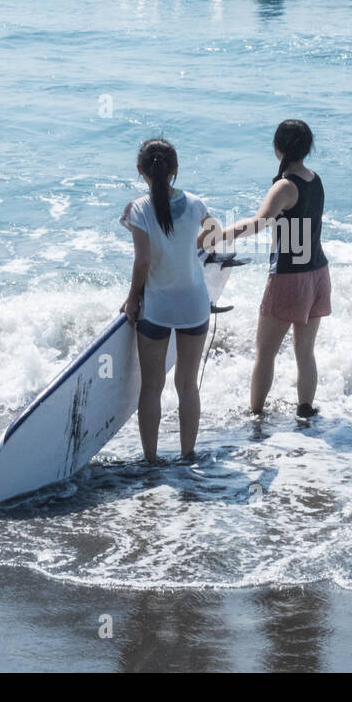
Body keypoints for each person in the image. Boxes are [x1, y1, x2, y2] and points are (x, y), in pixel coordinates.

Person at [205, 119, 330, 418]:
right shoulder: (315, 179)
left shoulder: (286, 186)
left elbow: (258, 223)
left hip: (290, 278)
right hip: (318, 274)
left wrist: (218, 234)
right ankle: (305, 410)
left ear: (279, 148)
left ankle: (256, 416)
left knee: (265, 353)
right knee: (305, 352)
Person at [120, 138, 214, 461]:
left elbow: (143, 261)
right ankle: (188, 456)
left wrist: (133, 298)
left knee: (152, 386)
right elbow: (213, 235)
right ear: (176, 169)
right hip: (195, 304)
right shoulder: (197, 203)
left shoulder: (138, 209)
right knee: (187, 384)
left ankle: (151, 460)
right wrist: (191, 248)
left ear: (139, 171)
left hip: (157, 308)